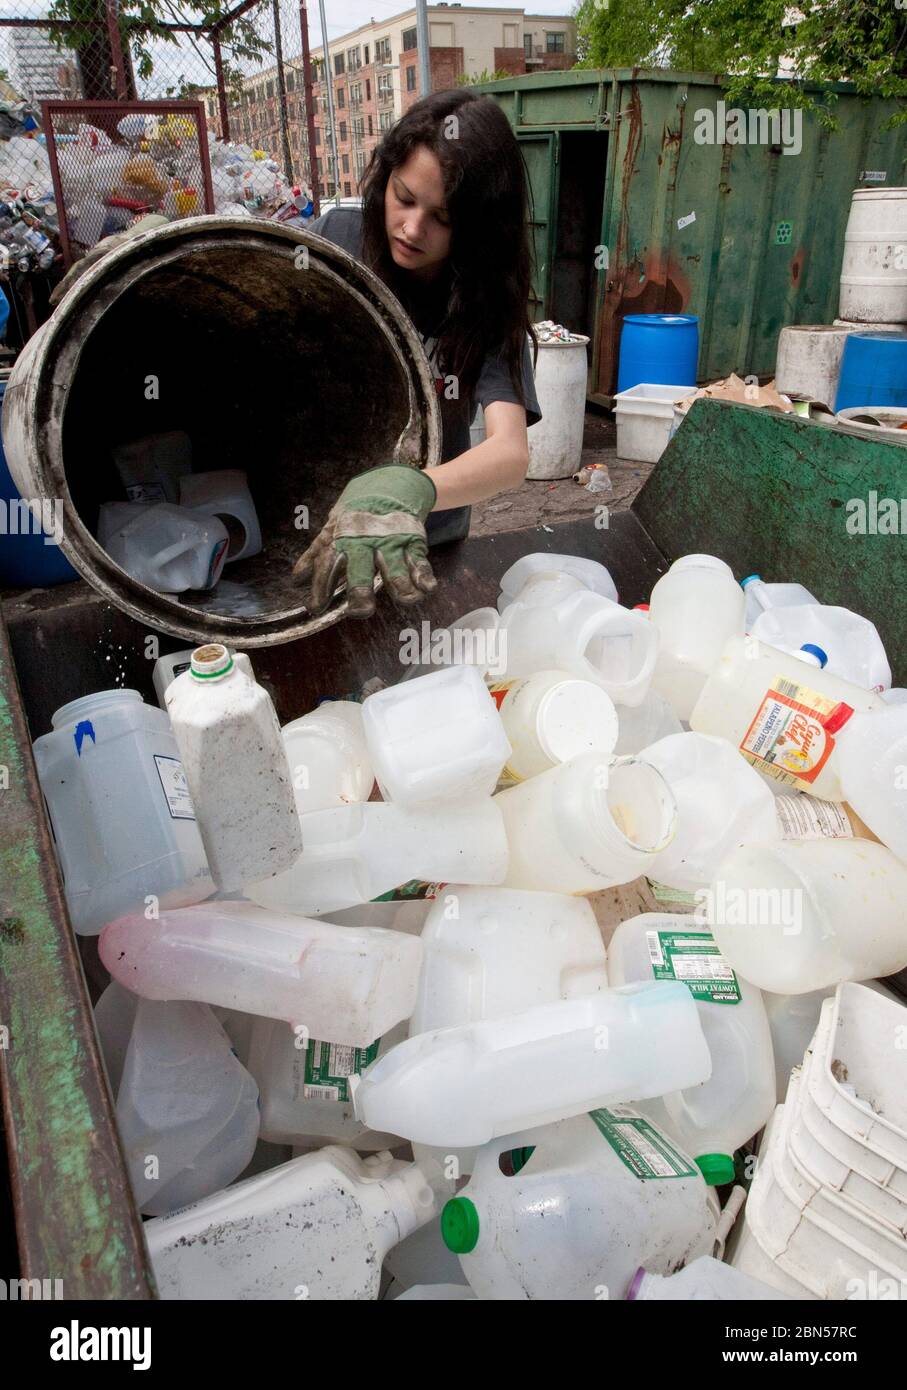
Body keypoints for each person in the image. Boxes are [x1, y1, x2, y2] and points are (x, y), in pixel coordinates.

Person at [294, 88, 542, 618]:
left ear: (477, 229)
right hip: (315, 525)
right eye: (403, 197)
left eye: (442, 218)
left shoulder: (487, 304)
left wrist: (410, 490)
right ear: (385, 175)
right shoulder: (338, 240)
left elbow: (510, 453)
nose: (411, 228)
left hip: (423, 547)